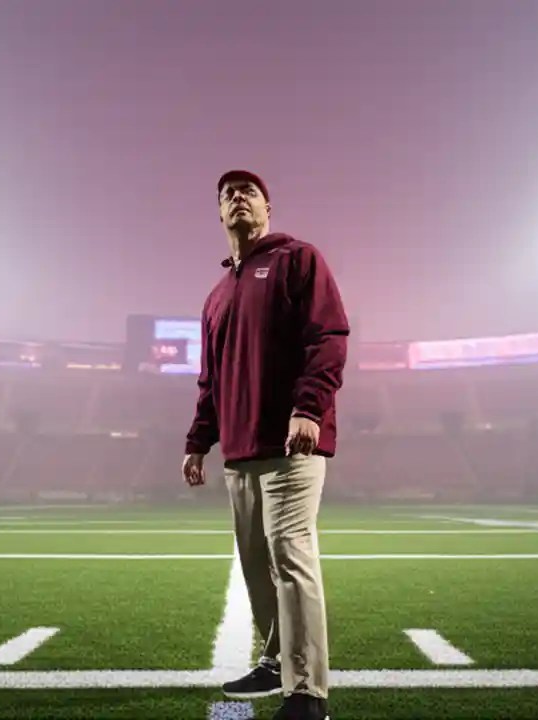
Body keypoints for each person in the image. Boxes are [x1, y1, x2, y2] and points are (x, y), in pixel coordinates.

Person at [183, 169, 349, 720]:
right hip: (239, 451)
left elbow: (328, 337)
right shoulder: (215, 296)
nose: (237, 197)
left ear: (268, 208)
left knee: (290, 555)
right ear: (218, 213)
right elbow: (210, 379)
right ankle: (277, 661)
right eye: (227, 193)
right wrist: (198, 440)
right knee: (256, 566)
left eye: (248, 191)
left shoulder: (297, 260)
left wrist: (309, 408)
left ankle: (307, 694)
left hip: (291, 444)